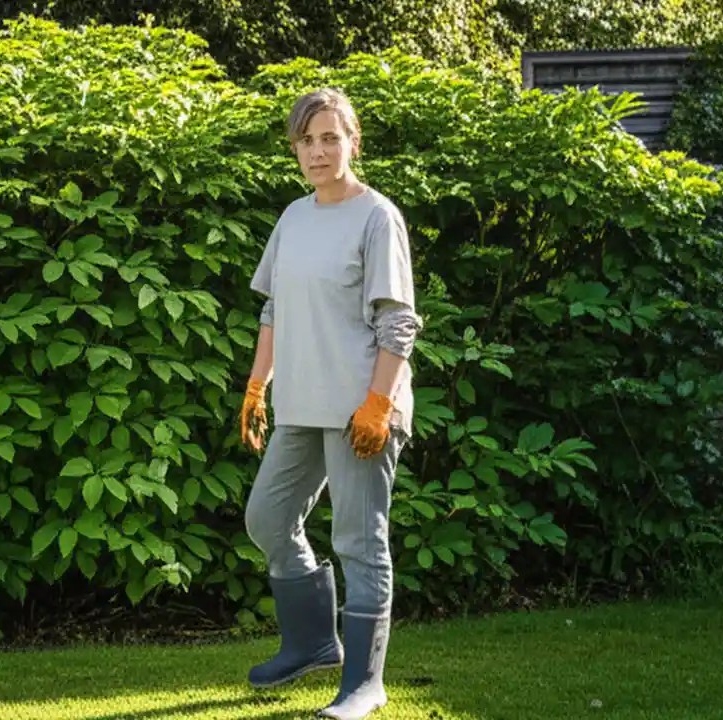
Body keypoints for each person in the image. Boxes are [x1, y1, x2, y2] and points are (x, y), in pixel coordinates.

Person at [239, 88, 423, 720]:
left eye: (329, 138)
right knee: (266, 517)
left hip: (359, 412)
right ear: (295, 148)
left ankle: (365, 683)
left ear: (353, 142)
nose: (317, 151)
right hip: (301, 404)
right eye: (306, 140)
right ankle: (313, 642)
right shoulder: (293, 217)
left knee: (358, 541)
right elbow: (273, 308)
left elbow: (399, 322)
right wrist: (257, 384)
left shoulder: (377, 217)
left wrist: (378, 402)